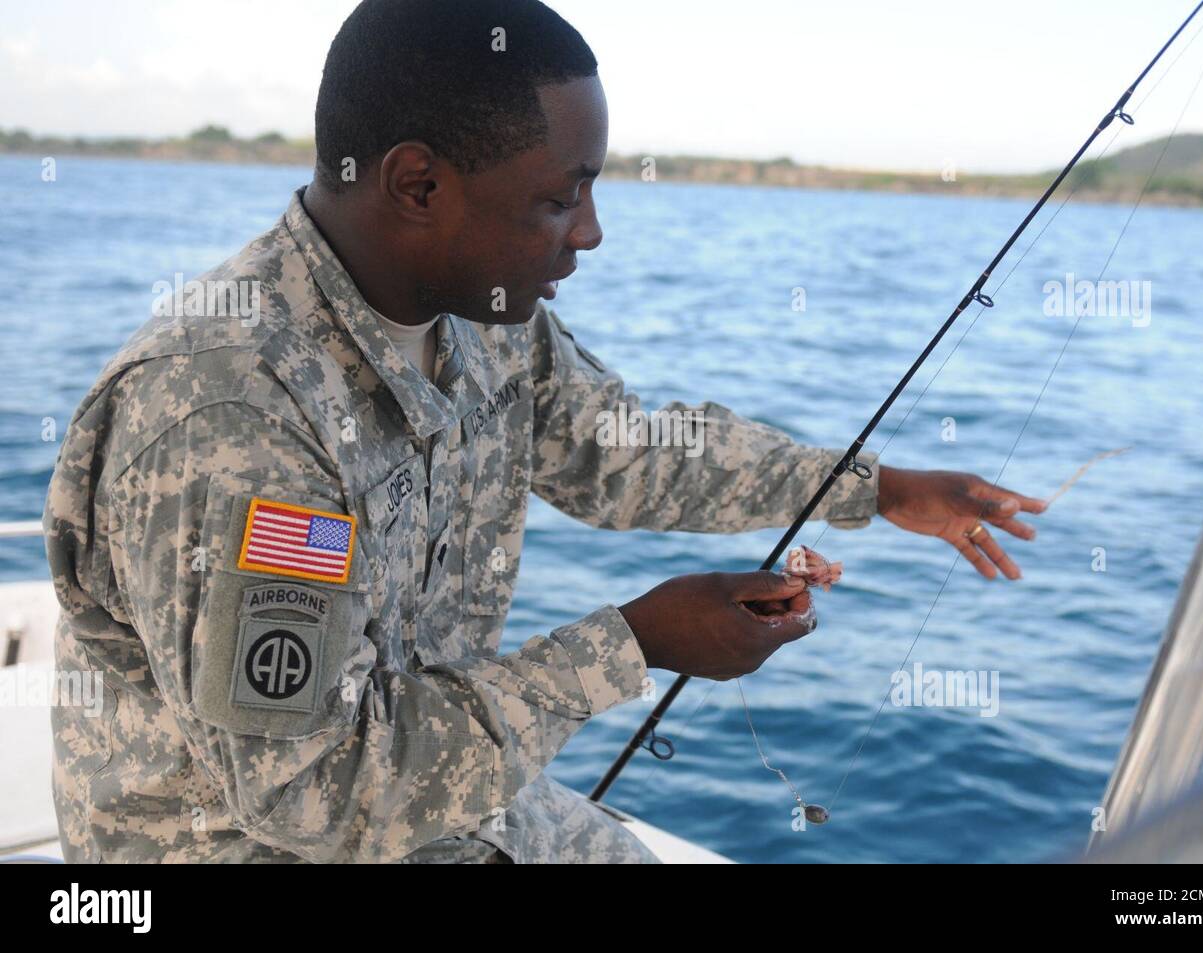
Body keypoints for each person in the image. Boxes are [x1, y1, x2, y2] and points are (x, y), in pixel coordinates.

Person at [44, 0, 1046, 863]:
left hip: (433, 790)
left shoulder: (479, 318)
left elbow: (623, 449)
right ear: (418, 185)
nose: (591, 231)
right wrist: (637, 639)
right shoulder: (230, 415)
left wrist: (873, 486)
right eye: (561, 196)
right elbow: (313, 789)